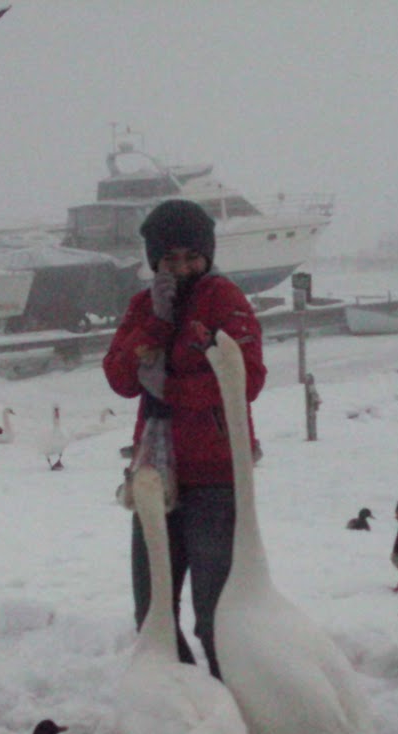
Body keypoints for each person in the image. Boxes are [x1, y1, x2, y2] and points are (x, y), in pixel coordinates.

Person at [103, 198, 266, 678]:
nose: (182, 267)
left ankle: (235, 705)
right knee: (152, 613)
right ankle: (189, 705)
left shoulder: (225, 300)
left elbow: (247, 379)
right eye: (170, 259)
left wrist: (171, 387)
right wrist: (153, 322)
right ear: (154, 260)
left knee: (217, 617)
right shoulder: (143, 306)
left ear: (208, 254)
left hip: (216, 477)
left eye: (191, 257)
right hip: (156, 476)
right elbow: (119, 378)